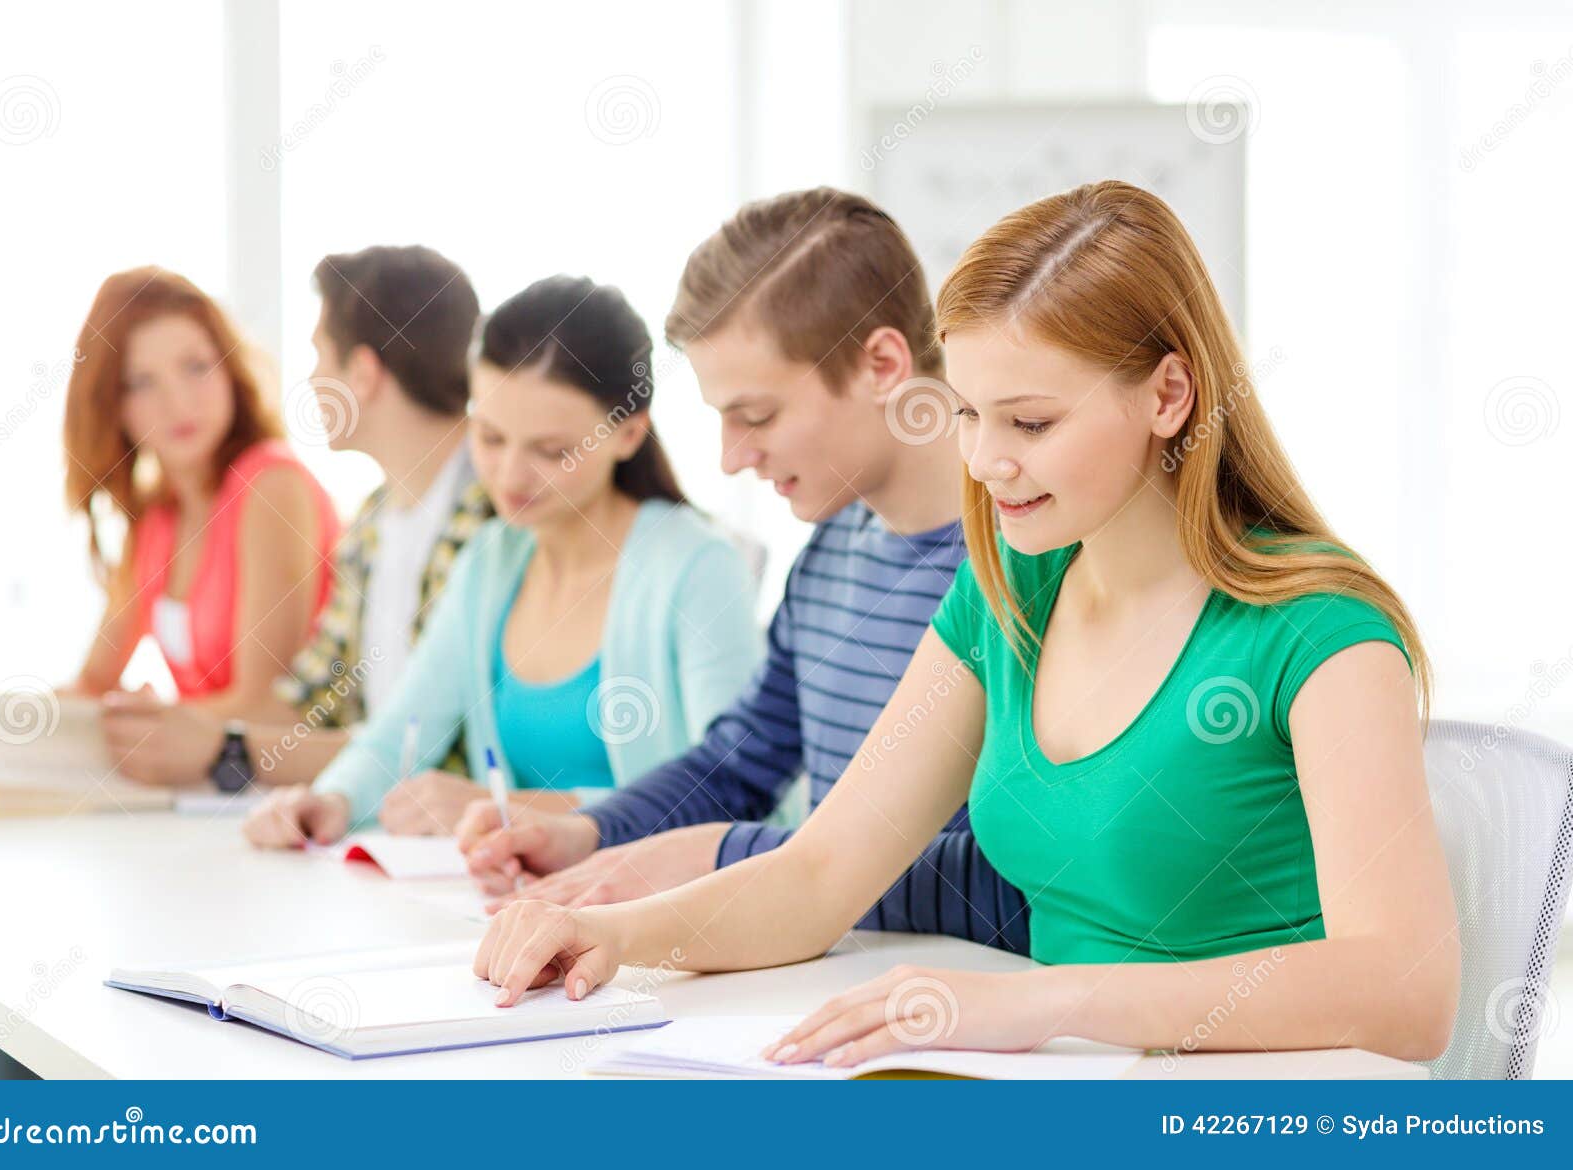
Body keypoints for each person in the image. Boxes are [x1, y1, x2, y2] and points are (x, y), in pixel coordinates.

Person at [471, 182, 1461, 1067]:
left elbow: (1408, 999)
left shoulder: (1321, 632)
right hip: (1071, 1078)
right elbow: (821, 871)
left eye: (1029, 424)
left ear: (1168, 395)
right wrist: (615, 934)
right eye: (972, 418)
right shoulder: (1006, 594)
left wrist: (1051, 1000)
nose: (985, 464)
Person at [459, 188, 1029, 953]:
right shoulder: (831, 550)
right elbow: (744, 759)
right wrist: (590, 832)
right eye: (721, 420)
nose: (732, 457)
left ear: (883, 364)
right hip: (834, 985)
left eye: (756, 417)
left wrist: (720, 858)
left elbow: (1025, 882)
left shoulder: (1028, 561)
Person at [242, 275, 761, 846]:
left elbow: (726, 792)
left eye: (551, 451)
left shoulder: (699, 567)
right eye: (489, 438)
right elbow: (398, 737)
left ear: (629, 434)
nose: (511, 477)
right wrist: (330, 801)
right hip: (526, 903)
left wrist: (512, 807)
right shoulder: (490, 562)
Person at [100, 246, 497, 807]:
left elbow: (434, 750)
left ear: (362, 373)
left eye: (320, 357)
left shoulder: (499, 516)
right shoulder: (372, 525)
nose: (310, 379)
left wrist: (225, 747)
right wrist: (191, 734)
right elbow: (310, 700)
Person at [65, 267, 337, 713]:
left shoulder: (272, 486)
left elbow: (265, 706)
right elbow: (92, 682)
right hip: (207, 782)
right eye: (141, 382)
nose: (179, 403)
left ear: (228, 367)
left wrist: (148, 720)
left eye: (196, 367)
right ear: (111, 406)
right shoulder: (156, 520)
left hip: (282, 777)